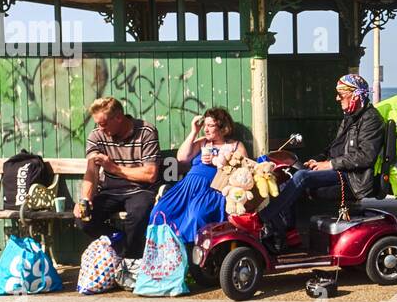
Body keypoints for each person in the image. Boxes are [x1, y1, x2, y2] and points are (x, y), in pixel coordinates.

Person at [257, 73, 384, 251]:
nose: (337, 98)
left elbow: (365, 157)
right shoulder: (350, 118)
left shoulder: (372, 120)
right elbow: (333, 149)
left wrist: (329, 165)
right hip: (339, 171)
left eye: (341, 94)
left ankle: (260, 219)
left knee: (302, 177)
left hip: (352, 178)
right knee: (287, 175)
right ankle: (286, 234)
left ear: (355, 95)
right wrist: (316, 160)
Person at [74, 97, 161, 261]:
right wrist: (85, 199)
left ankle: (130, 262)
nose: (100, 128)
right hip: (111, 189)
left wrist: (114, 168)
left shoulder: (146, 132)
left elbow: (150, 175)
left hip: (140, 188)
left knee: (138, 215)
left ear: (119, 118)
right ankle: (120, 244)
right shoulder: (97, 135)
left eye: (104, 123)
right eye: (97, 123)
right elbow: (92, 172)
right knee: (84, 219)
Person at [149, 107, 245, 243]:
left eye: (210, 125)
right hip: (187, 188)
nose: (206, 129)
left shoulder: (235, 146)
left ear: (223, 127)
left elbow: (242, 173)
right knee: (160, 211)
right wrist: (194, 131)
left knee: (196, 215)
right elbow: (182, 158)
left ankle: (190, 254)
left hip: (212, 190)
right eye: (205, 125)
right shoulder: (203, 142)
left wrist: (216, 162)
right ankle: (162, 252)